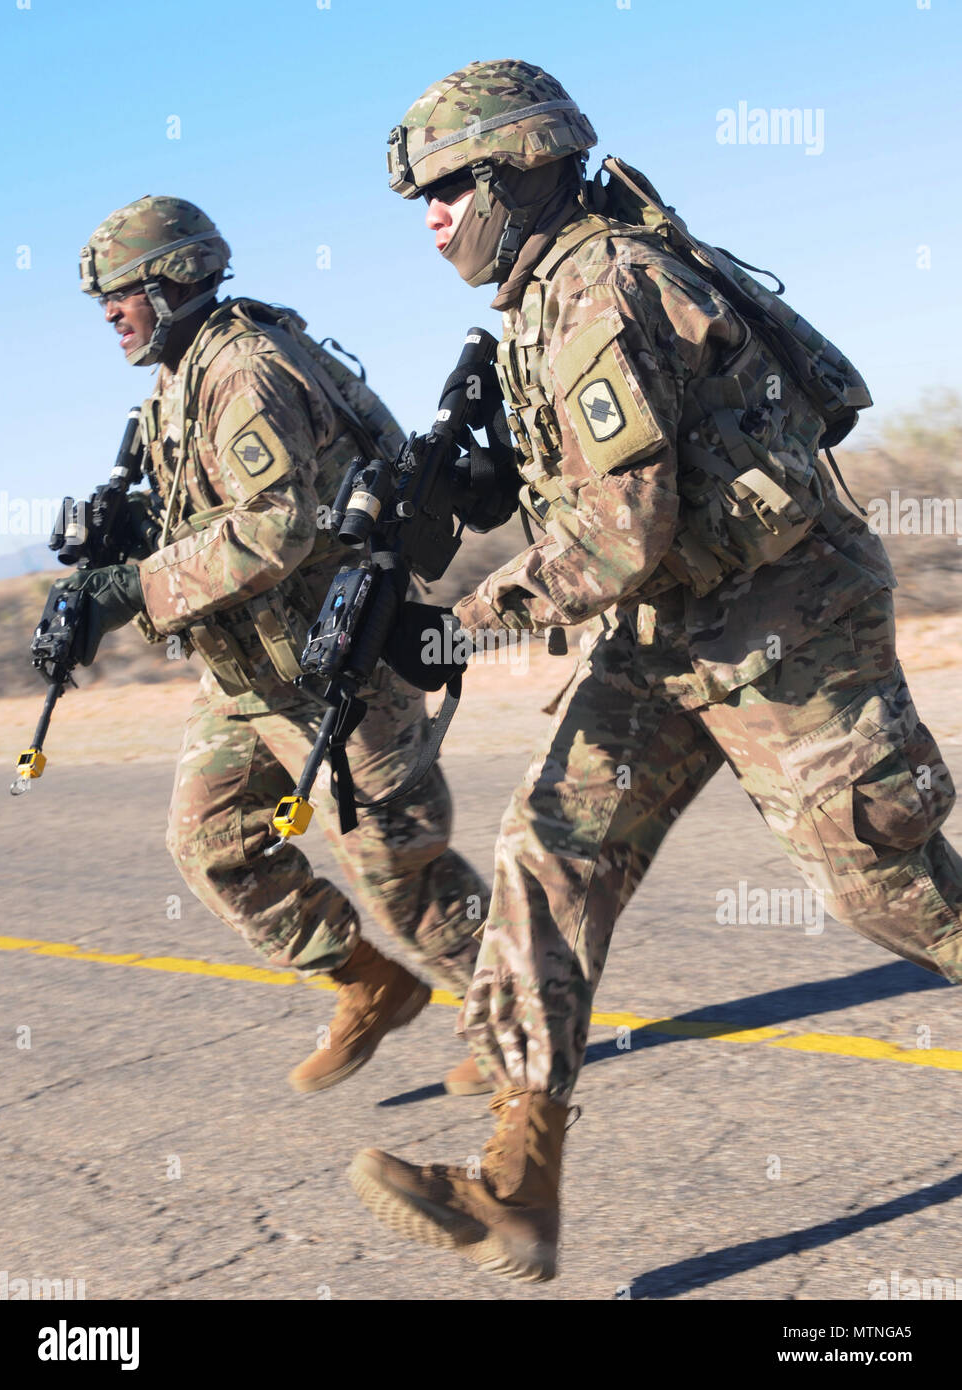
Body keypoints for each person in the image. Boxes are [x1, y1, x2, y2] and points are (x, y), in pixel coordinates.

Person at [350, 59, 962, 1281]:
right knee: (546, 857)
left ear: (514, 168)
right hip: (671, 625)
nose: (426, 217)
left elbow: (623, 536)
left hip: (786, 618)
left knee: (883, 886)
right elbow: (619, 493)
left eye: (440, 189)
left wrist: (465, 623)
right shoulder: (551, 292)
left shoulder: (594, 282)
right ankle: (515, 1188)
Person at [69, 194, 493, 1096]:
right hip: (248, 666)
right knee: (214, 839)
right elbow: (210, 511)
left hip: (335, 660)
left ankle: (521, 1025)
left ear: (174, 280)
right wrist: (121, 544)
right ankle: (369, 983)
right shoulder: (179, 379)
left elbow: (274, 530)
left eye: (121, 292)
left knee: (398, 869)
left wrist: (131, 590)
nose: (110, 312)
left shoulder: (241, 369)